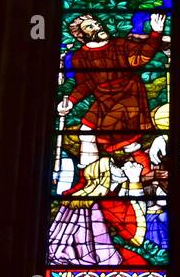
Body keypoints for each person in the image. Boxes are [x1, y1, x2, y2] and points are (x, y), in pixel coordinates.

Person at [58, 13, 167, 175]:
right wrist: (71, 102)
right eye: (90, 26)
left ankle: (143, 172)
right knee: (86, 133)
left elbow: (141, 57)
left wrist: (156, 33)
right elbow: (86, 84)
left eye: (97, 23)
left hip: (129, 95)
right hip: (103, 98)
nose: (98, 26)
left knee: (124, 139)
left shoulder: (120, 44)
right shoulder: (80, 57)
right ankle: (91, 178)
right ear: (81, 36)